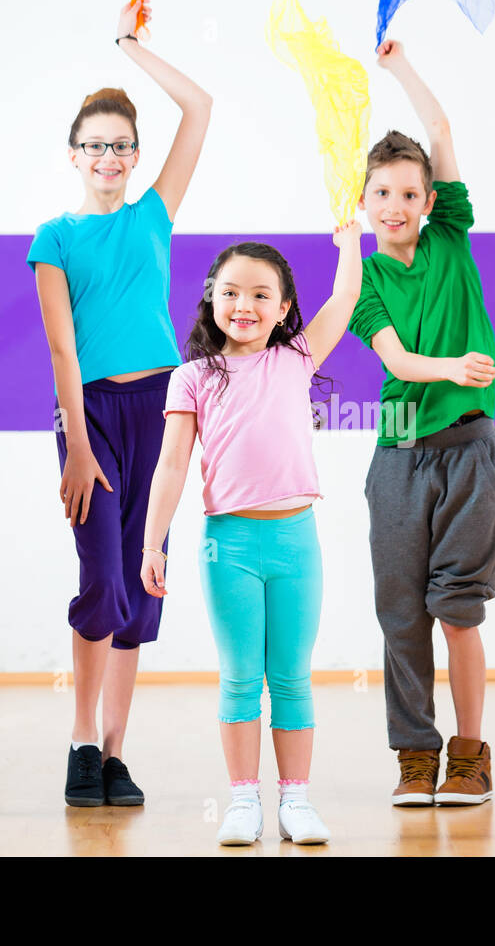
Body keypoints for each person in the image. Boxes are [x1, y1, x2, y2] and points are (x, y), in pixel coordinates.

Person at [27, 0, 211, 807]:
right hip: (93, 418)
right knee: (100, 578)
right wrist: (75, 441)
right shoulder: (54, 239)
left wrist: (133, 49)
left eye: (122, 146)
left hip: (163, 413)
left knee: (140, 587)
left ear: (136, 156)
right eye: (95, 145)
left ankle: (113, 754)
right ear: (73, 154)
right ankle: (77, 739)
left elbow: (200, 108)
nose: (109, 155)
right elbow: (63, 348)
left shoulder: (153, 214)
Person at [141, 225, 363, 845]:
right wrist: (153, 542)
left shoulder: (295, 357)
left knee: (291, 676)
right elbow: (172, 464)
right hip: (228, 547)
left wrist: (351, 240)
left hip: (296, 542)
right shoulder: (190, 376)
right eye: (232, 293)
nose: (245, 306)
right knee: (241, 677)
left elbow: (345, 299)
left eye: (262, 295)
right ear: (212, 299)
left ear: (285, 308)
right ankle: (244, 801)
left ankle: (296, 800)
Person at [347, 40, 495, 807]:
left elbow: (439, 124)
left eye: (411, 193)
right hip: (400, 456)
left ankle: (471, 757)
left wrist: (399, 66)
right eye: (384, 193)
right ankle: (416, 754)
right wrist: (453, 367)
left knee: (456, 608)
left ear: (429, 201)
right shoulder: (363, 280)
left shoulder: (450, 235)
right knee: (401, 614)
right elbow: (399, 361)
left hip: (468, 450)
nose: (398, 206)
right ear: (366, 200)